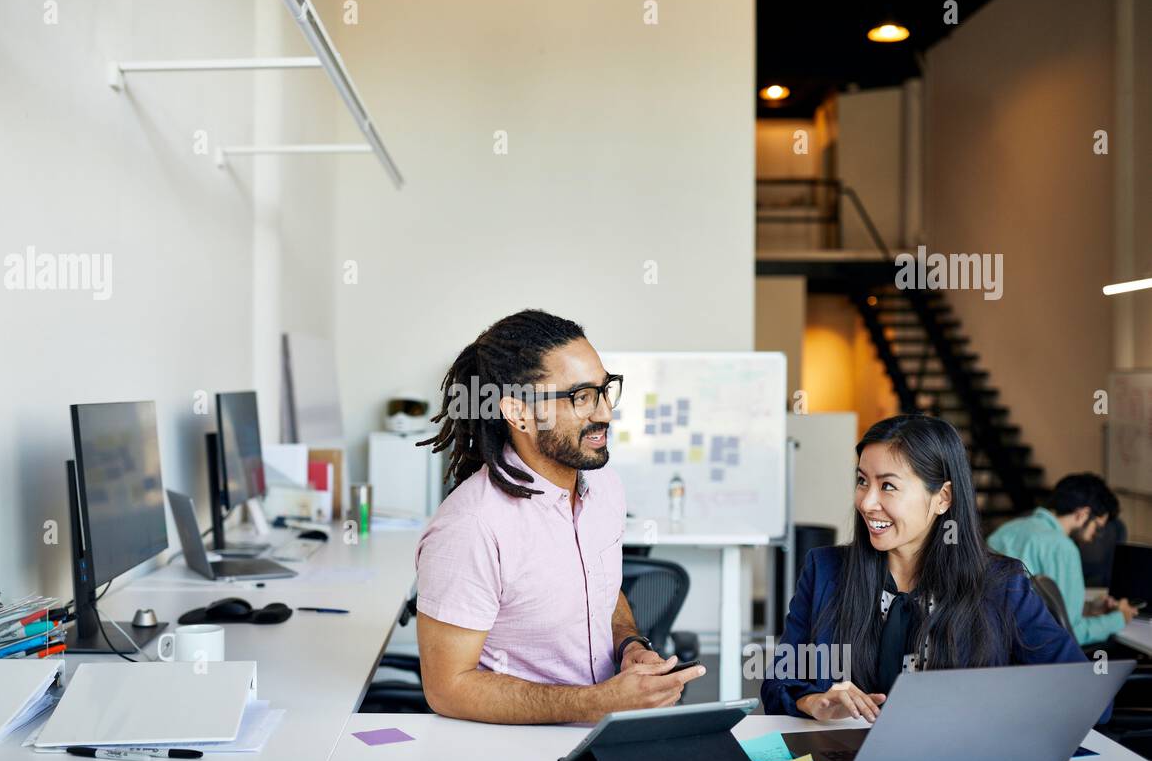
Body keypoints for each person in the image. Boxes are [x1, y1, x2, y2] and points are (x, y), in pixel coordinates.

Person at [413, 309, 704, 723]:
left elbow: (604, 590)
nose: (603, 412)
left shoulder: (604, 488)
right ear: (518, 413)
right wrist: (600, 701)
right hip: (517, 755)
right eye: (580, 397)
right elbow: (448, 689)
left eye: (605, 391)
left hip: (604, 732)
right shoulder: (472, 526)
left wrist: (630, 646)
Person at [761, 414, 1092, 722]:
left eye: (887, 486)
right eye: (862, 481)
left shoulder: (1001, 586)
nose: (866, 501)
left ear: (943, 498)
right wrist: (812, 702)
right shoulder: (825, 571)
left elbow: (1085, 696)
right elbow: (779, 682)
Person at [987, 473, 1136, 646]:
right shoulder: (1063, 547)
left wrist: (1089, 609)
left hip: (992, 644)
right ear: (1083, 514)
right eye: (1098, 527)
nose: (1094, 537)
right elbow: (1072, 633)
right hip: (1032, 651)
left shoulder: (1008, 529)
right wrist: (1119, 618)